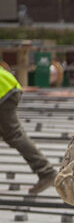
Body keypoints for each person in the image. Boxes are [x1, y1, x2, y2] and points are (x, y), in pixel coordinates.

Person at [0, 65, 56, 194]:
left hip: (3, 92)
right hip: (7, 88)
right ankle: (46, 172)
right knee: (13, 135)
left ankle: (47, 172)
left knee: (14, 135)